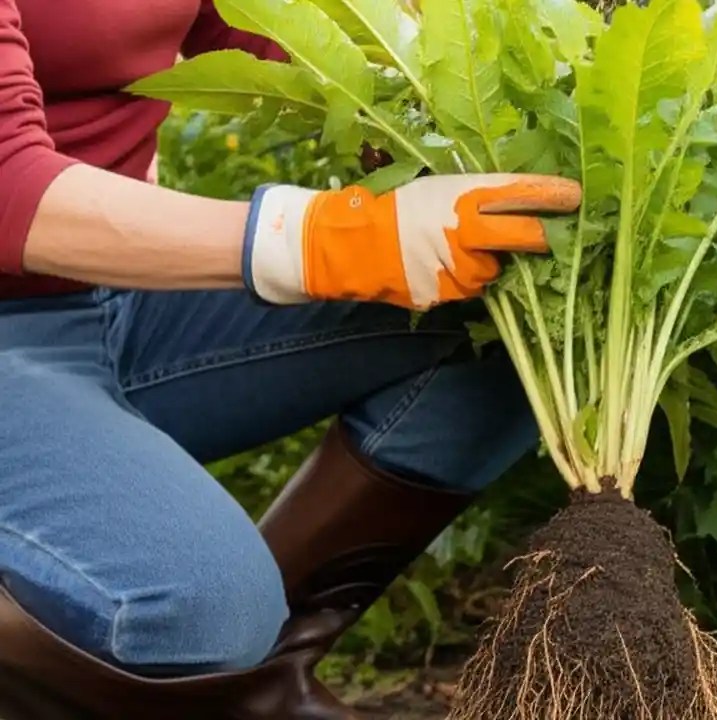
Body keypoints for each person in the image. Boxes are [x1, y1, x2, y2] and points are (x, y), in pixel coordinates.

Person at [0, 1, 581, 718]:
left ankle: (261, 688)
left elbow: (271, 33)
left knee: (505, 320)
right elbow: (7, 188)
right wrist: (327, 241)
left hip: (112, 290)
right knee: (198, 606)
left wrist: (455, 82)